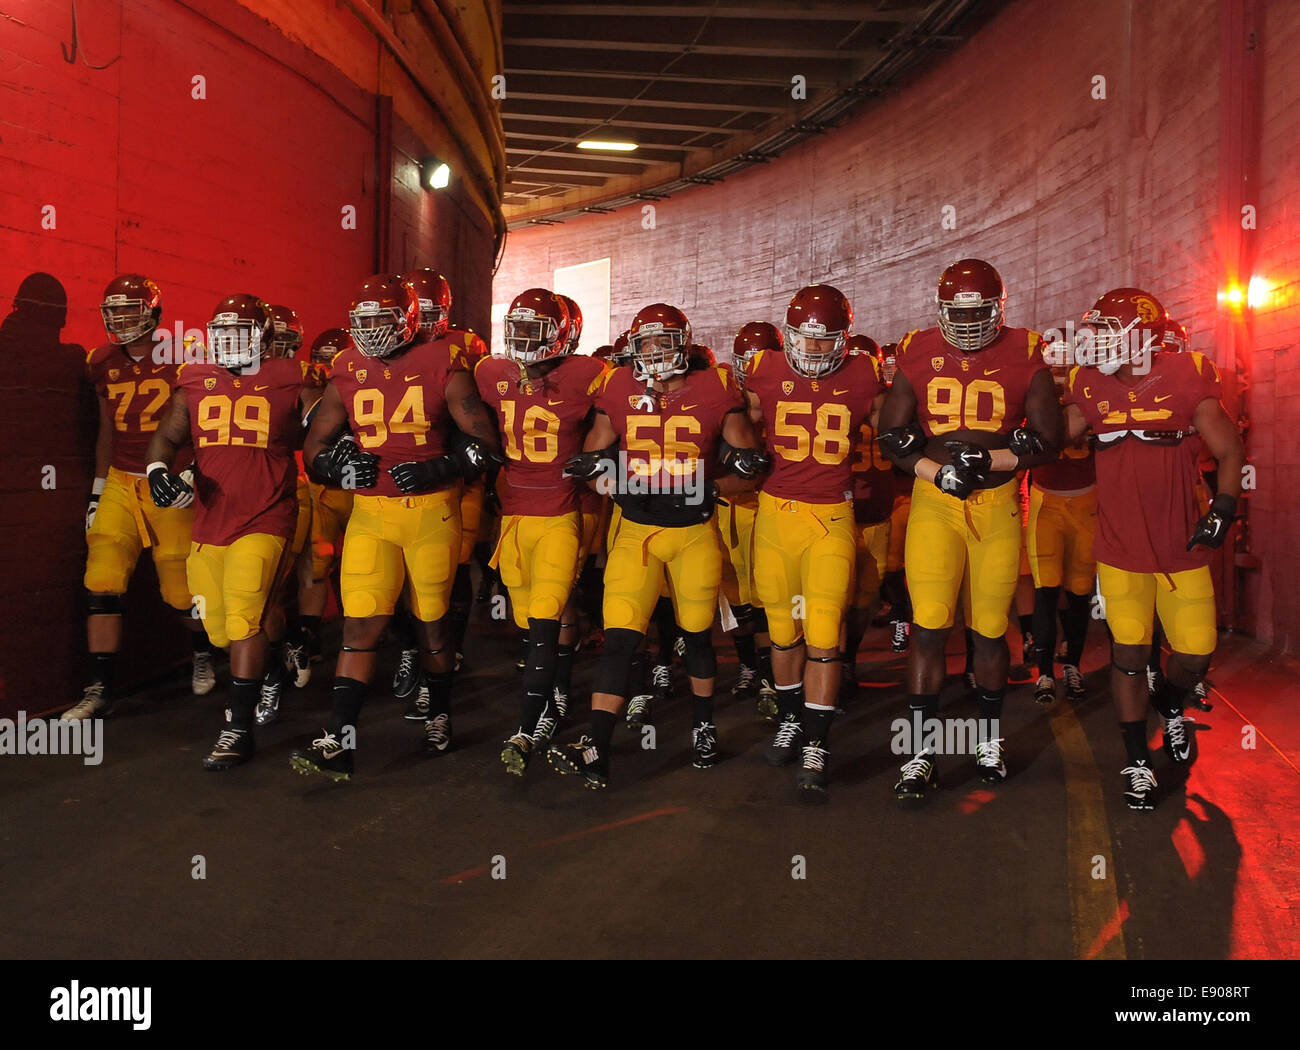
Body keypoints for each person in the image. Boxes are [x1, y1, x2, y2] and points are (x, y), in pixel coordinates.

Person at [288, 273, 502, 781]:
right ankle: (339, 740)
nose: (370, 331)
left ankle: (440, 711)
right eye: (362, 322)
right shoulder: (346, 367)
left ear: (407, 319)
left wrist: (441, 466)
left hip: (432, 510)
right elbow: (315, 444)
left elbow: (486, 445)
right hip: (370, 513)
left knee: (432, 622)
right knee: (360, 623)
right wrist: (335, 466)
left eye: (381, 320)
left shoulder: (443, 362)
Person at [548, 303, 764, 788]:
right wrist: (604, 477)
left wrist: (713, 486)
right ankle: (597, 748)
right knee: (620, 639)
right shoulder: (617, 385)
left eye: (662, 341)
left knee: (696, 635)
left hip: (693, 532)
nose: (652, 351)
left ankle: (703, 727)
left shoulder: (714, 386)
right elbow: (592, 457)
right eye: (644, 343)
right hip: (636, 532)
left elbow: (751, 466)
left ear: (683, 344)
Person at [877, 259, 1063, 798]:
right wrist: (937, 472)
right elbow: (892, 435)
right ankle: (920, 751)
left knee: (989, 627)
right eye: (957, 313)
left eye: (977, 312)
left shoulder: (1026, 349)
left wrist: (992, 461)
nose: (966, 323)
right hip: (935, 502)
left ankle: (987, 738)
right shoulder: (917, 348)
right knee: (929, 625)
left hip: (996, 501)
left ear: (998, 309)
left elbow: (1048, 439)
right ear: (940, 311)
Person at [1063, 288, 1244, 809]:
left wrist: (1223, 508)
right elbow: (1052, 439)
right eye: (1095, 331)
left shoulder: (1188, 373)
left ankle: (1168, 702)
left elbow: (1229, 448)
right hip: (1120, 549)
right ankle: (1136, 760)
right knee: (1129, 653)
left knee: (1196, 655)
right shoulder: (1088, 383)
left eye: (1106, 331)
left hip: (1181, 547)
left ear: (1140, 335)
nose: (1096, 341)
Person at [144, 293, 321, 769]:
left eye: (239, 332)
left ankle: (237, 729)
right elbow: (167, 436)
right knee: (222, 631)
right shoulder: (195, 380)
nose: (228, 342)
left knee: (244, 616)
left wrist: (333, 440)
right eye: (221, 333)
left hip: (267, 516)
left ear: (263, 337)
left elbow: (324, 424)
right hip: (210, 521)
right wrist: (159, 471)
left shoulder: (290, 376)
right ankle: (276, 663)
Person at [744, 285, 884, 795]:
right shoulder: (764, 368)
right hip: (776, 515)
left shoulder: (864, 373)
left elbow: (894, 427)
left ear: (844, 338)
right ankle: (790, 720)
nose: (815, 348)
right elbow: (738, 422)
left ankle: (817, 743)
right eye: (806, 338)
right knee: (783, 630)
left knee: (824, 630)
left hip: (831, 515)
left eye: (826, 340)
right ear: (789, 335)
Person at [67, 274, 213, 721]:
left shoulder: (185, 356)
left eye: (129, 310)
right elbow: (106, 431)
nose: (120, 319)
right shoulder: (101, 360)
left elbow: (206, 422)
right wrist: (98, 490)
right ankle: (99, 689)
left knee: (178, 591)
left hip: (167, 480)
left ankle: (203, 650)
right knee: (101, 580)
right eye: (113, 311)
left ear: (154, 313)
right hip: (119, 479)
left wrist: (192, 471)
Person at [476, 288, 606, 774]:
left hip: (562, 511)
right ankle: (553, 696)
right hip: (514, 517)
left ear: (564, 335)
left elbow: (629, 417)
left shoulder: (589, 375)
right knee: (531, 622)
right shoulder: (491, 372)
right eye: (519, 329)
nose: (524, 340)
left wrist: (604, 458)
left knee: (547, 619)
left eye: (535, 330)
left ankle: (527, 726)